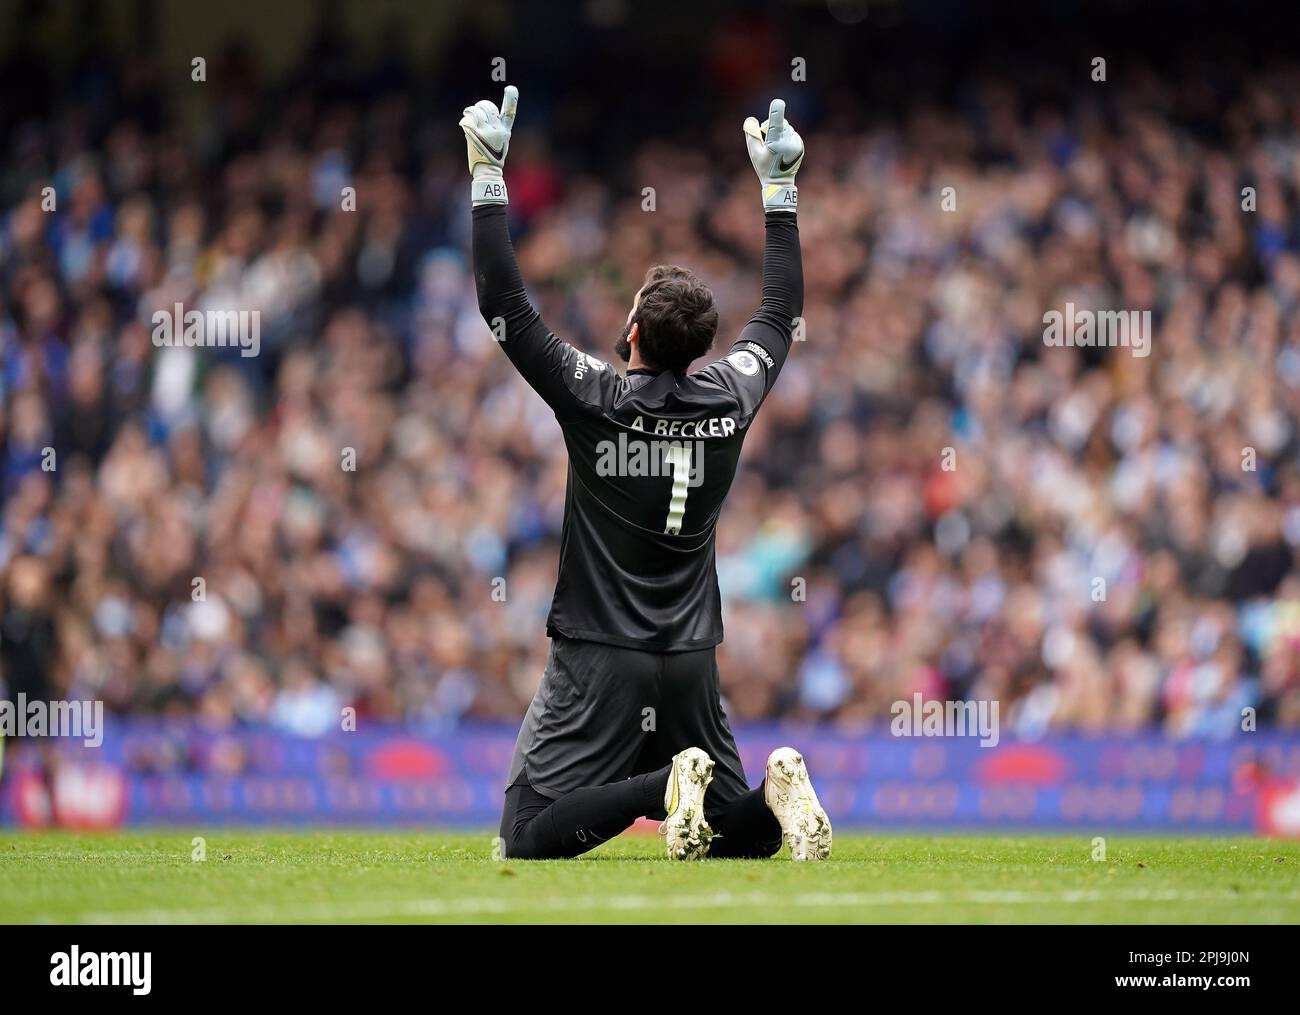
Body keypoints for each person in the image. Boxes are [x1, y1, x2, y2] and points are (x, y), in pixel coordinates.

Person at [463, 86, 831, 860]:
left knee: (525, 837)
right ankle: (773, 795)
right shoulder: (731, 394)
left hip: (600, 652)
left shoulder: (594, 396)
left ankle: (663, 786)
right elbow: (777, 315)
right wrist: (780, 195)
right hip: (691, 652)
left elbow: (505, 303)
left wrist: (488, 175)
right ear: (700, 343)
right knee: (739, 836)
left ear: (632, 331)